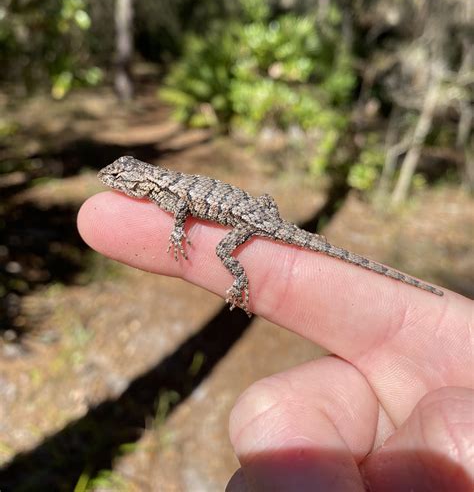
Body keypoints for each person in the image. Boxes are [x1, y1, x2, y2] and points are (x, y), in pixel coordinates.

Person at [78, 190, 473, 492]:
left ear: (135, 183)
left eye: (118, 180)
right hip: (255, 211)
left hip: (251, 222)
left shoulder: (166, 193)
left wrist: (181, 231)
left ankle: (240, 279)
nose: (114, 183)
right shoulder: (161, 186)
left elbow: (181, 207)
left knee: (221, 249)